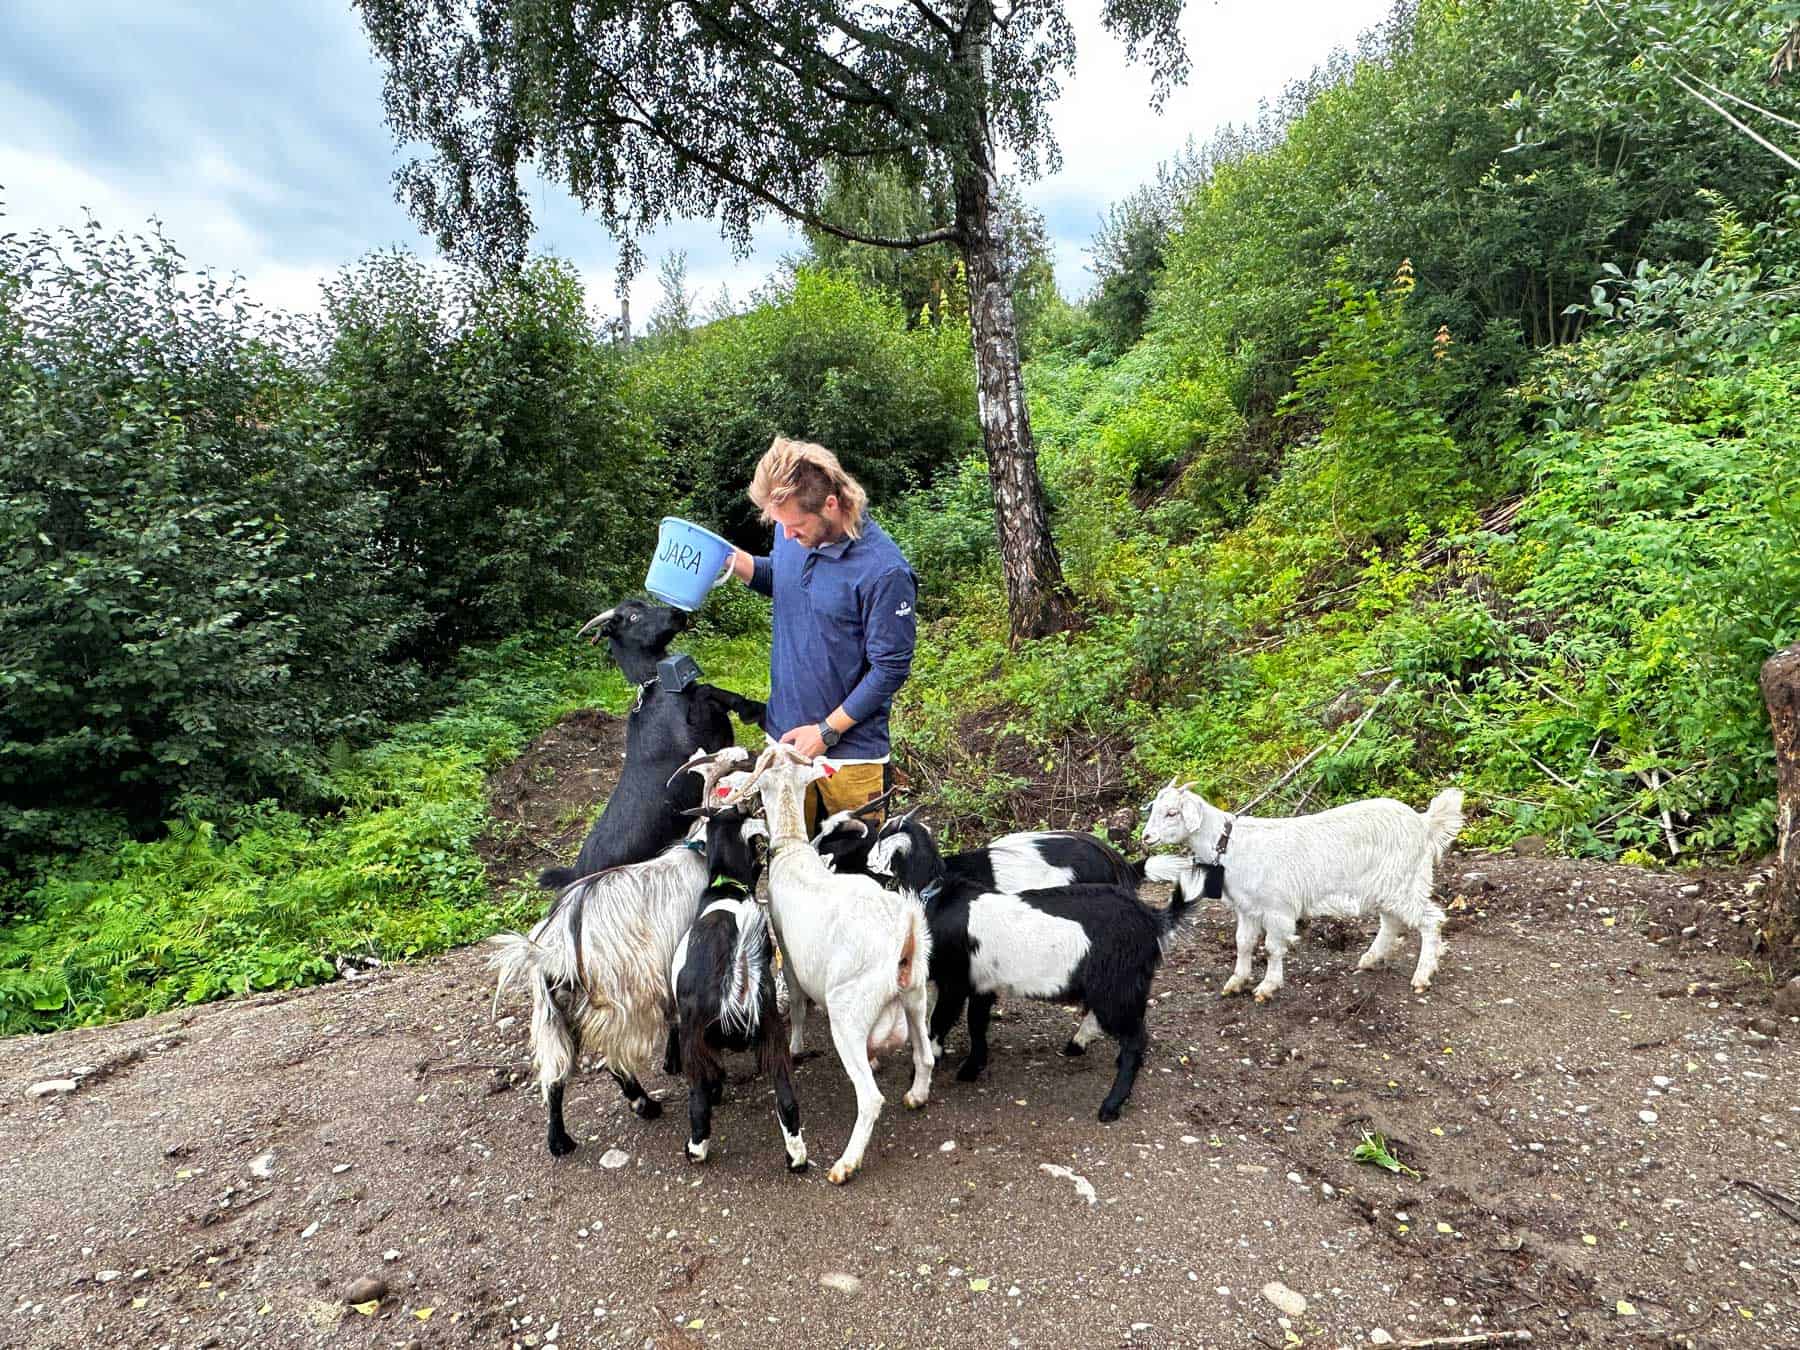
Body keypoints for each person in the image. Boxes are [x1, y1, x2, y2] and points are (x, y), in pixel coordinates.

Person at [725, 436, 917, 835]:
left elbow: (890, 669)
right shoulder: (791, 530)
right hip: (784, 743)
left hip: (849, 758)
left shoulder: (884, 572)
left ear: (831, 504)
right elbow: (786, 578)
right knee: (790, 862)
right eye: (781, 526)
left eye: (796, 526)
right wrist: (734, 562)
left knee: (855, 878)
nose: (788, 536)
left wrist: (826, 732)